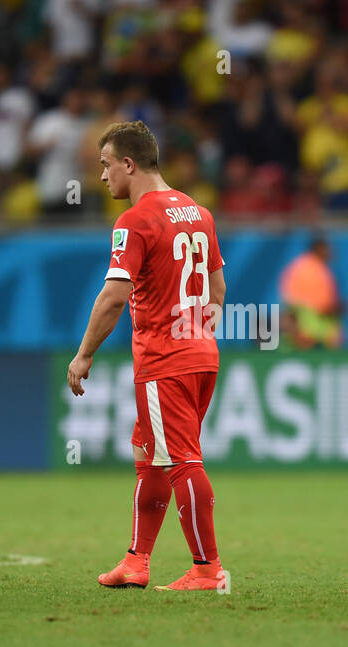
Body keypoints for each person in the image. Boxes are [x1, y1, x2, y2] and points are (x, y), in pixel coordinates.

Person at [67, 120, 227, 591]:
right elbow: (217, 288)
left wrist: (83, 355)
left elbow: (114, 296)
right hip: (201, 355)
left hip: (164, 361)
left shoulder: (134, 221)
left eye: (106, 165)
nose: (102, 176)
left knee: (181, 460)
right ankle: (136, 561)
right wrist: (199, 327)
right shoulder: (198, 212)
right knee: (152, 459)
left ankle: (207, 568)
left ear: (128, 164)